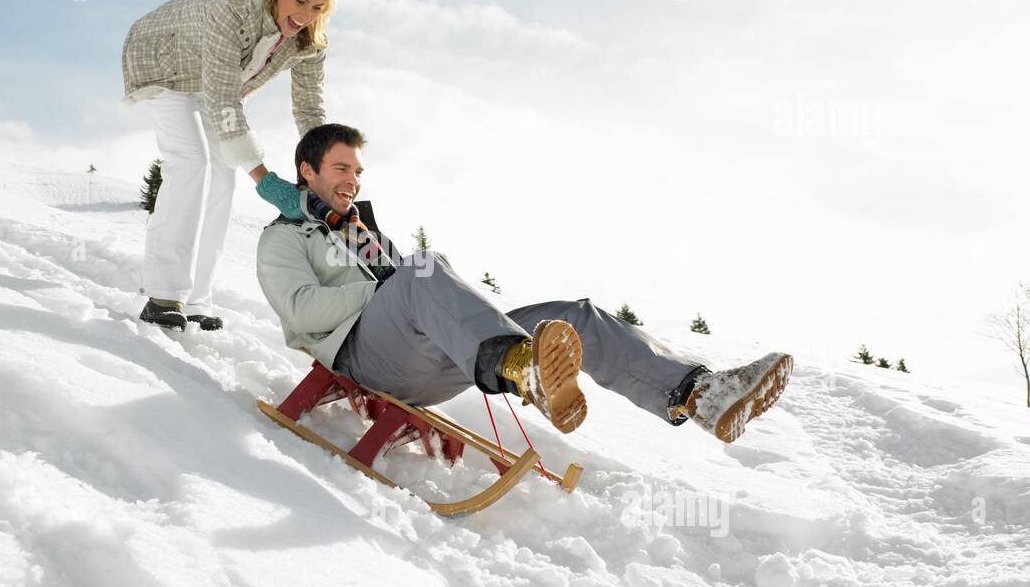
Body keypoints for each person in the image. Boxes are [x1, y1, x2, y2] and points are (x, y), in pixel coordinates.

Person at [255, 124, 794, 442]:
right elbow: (302, 313)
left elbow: (413, 296)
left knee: (572, 317)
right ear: (307, 171)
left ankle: (699, 394)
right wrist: (386, 286)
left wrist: (399, 278)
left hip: (434, 362)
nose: (352, 180)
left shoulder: (364, 234)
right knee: (422, 269)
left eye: (358, 172)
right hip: (362, 362)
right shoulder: (283, 239)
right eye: (342, 169)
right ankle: (519, 365)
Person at [122, 0, 338, 332]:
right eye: (300, 0)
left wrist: (326, 170)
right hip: (162, 63)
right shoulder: (230, 8)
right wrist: (266, 181)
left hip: (216, 84)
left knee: (222, 176)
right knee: (192, 162)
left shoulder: (309, 40)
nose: (307, 14)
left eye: (318, 6)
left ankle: (197, 298)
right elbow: (223, 100)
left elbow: (310, 109)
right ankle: (163, 293)